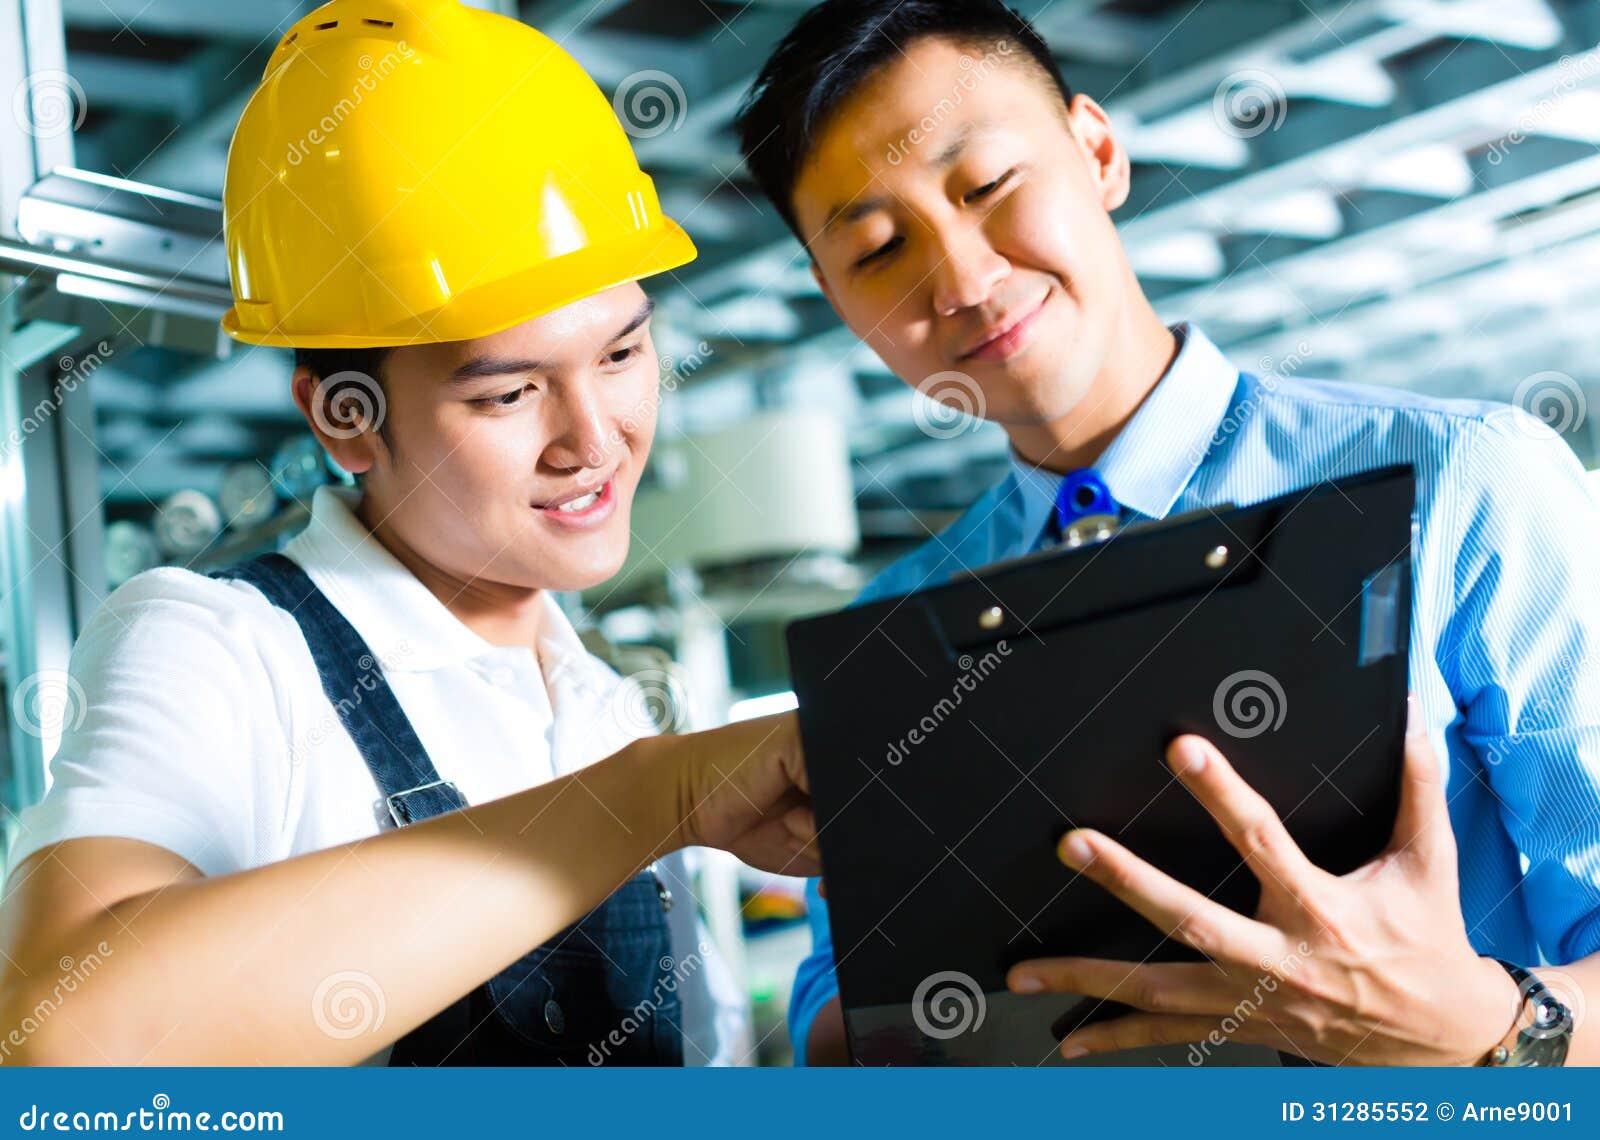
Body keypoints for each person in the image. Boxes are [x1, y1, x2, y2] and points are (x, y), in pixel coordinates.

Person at [736, 0, 1600, 1066]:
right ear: (835, 300)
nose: (962, 279)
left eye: (988, 187)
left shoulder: (1465, 479)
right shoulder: (889, 628)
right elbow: (843, 1006)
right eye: (877, 247)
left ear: (1097, 151)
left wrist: (1483, 1027)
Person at [0, 0, 817, 1067]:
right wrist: (655, 795)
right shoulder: (222, 647)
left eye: (621, 354)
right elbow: (61, 1043)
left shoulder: (607, 701)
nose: (594, 440)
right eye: (509, 392)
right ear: (344, 418)